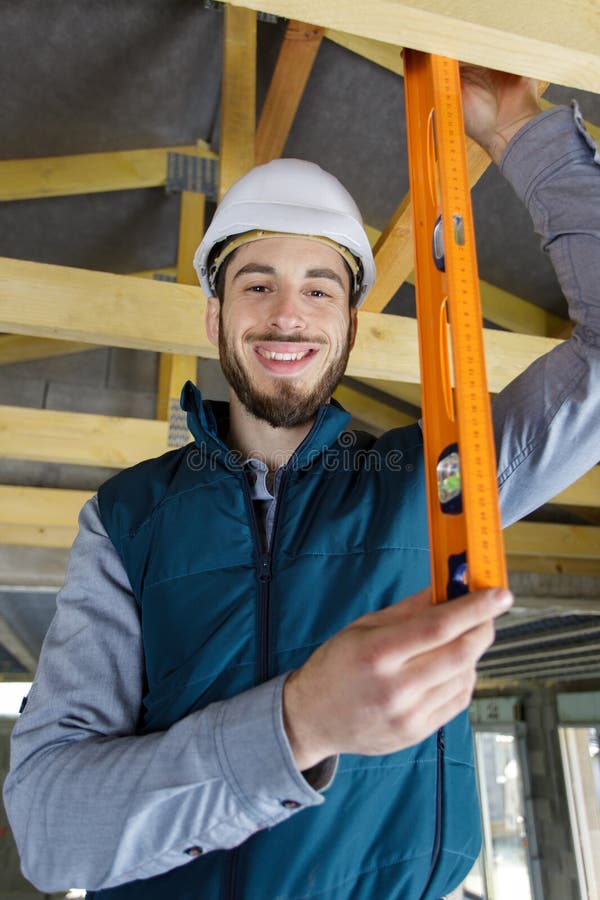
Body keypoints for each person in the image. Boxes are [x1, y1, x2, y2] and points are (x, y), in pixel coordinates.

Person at [4, 67, 600, 900]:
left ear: (350, 325)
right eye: (258, 285)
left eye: (320, 287)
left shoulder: (439, 477)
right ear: (215, 317)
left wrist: (517, 129)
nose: (289, 314)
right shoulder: (125, 519)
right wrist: (299, 723)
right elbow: (49, 829)